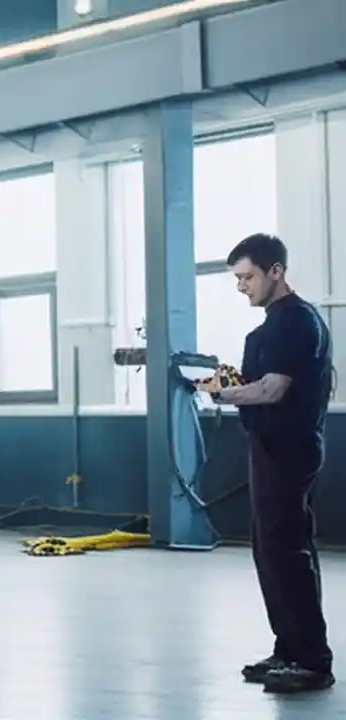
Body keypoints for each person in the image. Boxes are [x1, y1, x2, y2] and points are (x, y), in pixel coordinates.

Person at [194, 233, 334, 694]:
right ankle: (289, 649)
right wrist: (232, 383)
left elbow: (273, 389)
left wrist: (221, 392)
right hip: (269, 447)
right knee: (269, 550)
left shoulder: (296, 322)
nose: (242, 287)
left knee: (288, 553)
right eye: (237, 278)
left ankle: (313, 661)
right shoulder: (270, 327)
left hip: (291, 450)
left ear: (277, 271)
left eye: (248, 276)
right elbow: (259, 383)